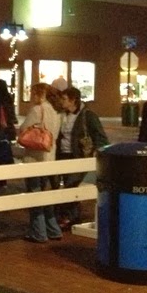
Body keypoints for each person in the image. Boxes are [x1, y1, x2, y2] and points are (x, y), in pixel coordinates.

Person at [55, 86, 109, 228]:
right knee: (68, 185)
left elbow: (100, 136)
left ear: (73, 100)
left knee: (71, 184)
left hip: (78, 156)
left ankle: (70, 216)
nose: (62, 101)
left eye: (65, 99)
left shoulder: (87, 115)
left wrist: (98, 151)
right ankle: (70, 214)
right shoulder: (62, 115)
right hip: (63, 155)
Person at [20, 83, 63, 243]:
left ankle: (38, 231)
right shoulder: (56, 110)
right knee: (46, 195)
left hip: (35, 157)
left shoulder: (37, 110)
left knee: (35, 194)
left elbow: (24, 128)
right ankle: (53, 228)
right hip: (50, 157)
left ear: (39, 94)